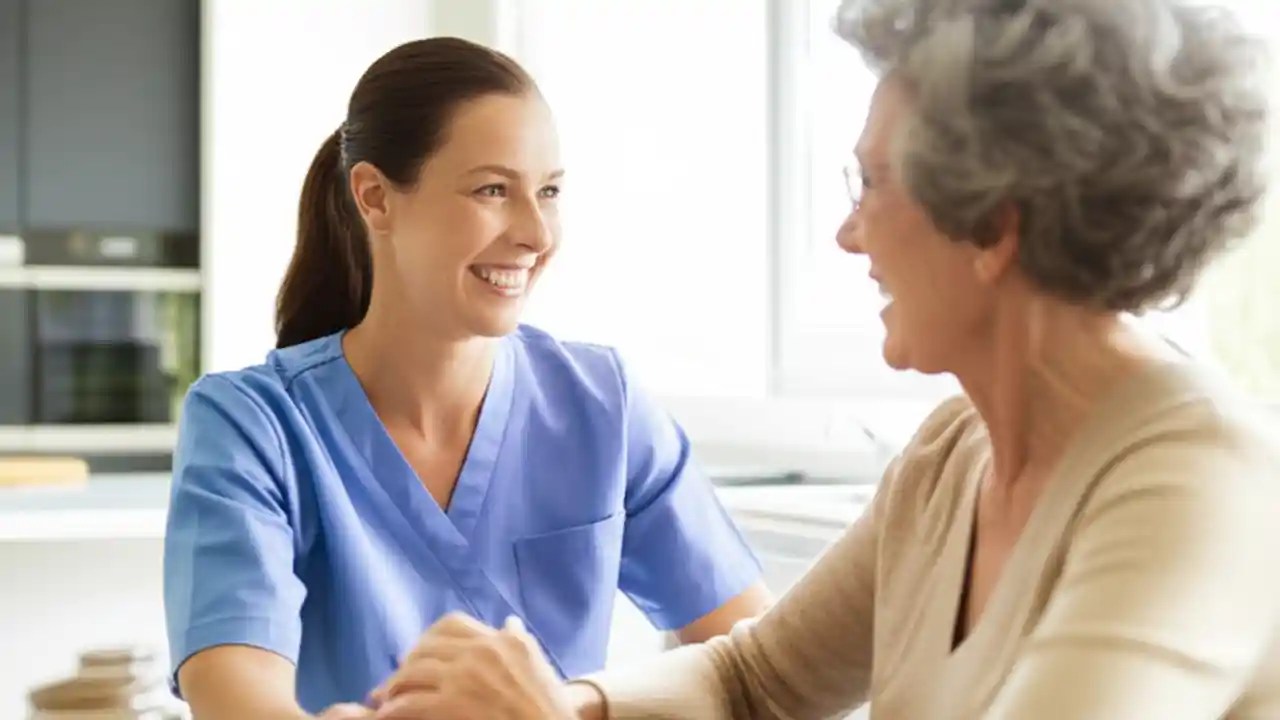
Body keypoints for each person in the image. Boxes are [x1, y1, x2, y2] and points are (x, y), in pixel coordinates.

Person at [370, 1, 1280, 718]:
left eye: (873, 184)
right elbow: (756, 683)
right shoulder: (950, 458)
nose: (849, 235)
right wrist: (572, 704)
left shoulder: (1198, 482)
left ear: (993, 225)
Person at [162, 36, 770, 719]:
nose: (536, 233)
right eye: (492, 190)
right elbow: (236, 698)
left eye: (549, 192)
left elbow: (760, 670)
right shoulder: (251, 425)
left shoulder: (603, 404)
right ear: (375, 198)